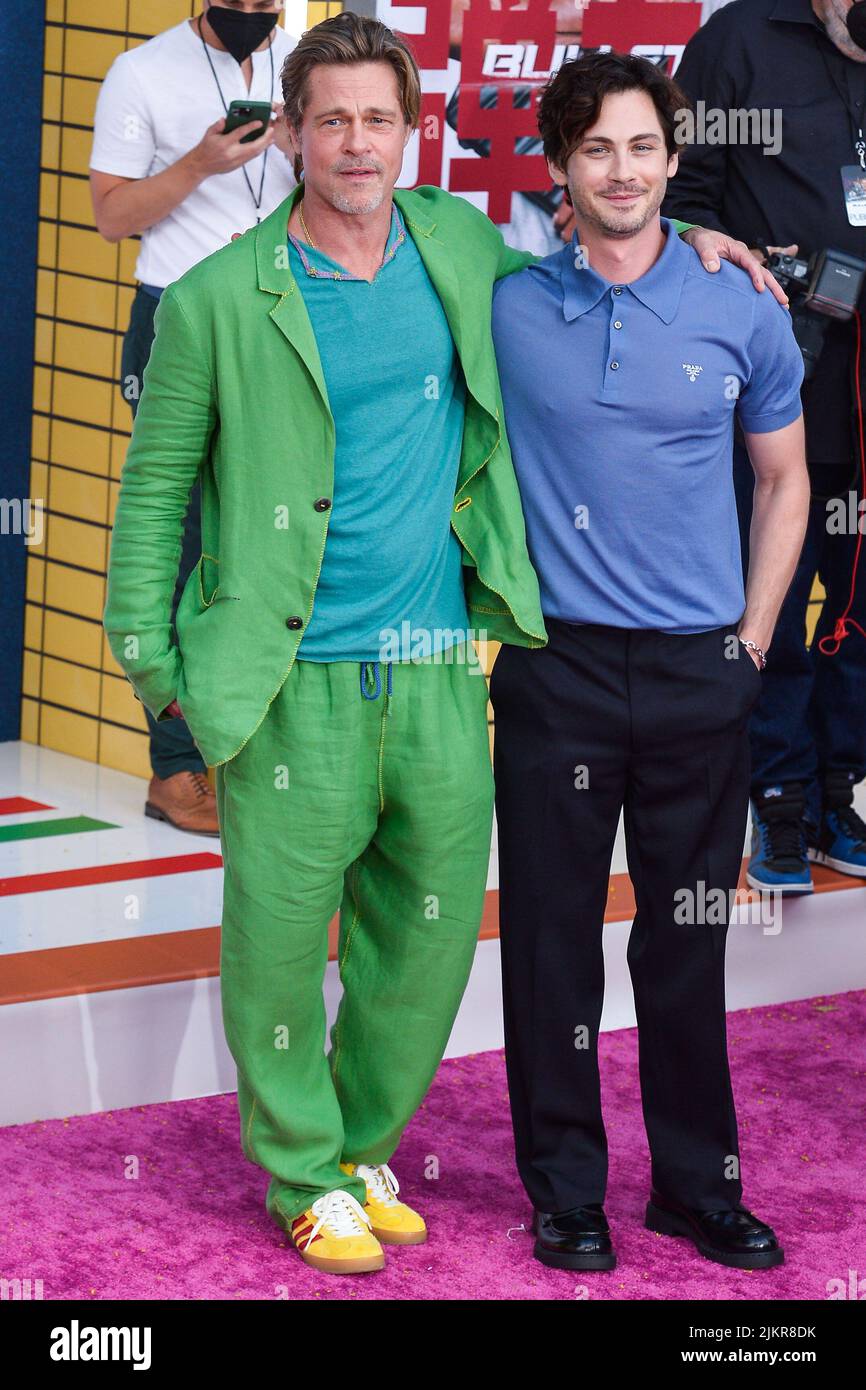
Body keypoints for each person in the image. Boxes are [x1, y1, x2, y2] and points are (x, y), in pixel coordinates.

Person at [103, 13, 784, 1276]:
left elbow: (606, 248)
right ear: (292, 135)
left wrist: (697, 238)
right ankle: (303, 1169)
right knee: (274, 939)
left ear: (411, 131)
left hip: (433, 669)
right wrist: (160, 670)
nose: (356, 142)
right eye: (331, 119)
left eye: (378, 117)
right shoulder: (211, 302)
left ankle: (364, 1143)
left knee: (417, 945)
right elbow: (152, 501)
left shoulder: (462, 250)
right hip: (289, 674)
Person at [490, 52, 810, 1271]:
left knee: (684, 941)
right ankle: (564, 1188)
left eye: (640, 148)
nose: (619, 172)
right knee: (551, 948)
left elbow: (783, 483)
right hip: (556, 672)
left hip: (698, 673)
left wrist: (749, 643)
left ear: (671, 160)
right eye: (593, 152)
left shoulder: (739, 304)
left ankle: (695, 1184)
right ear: (561, 174)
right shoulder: (510, 303)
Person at [662, 0, 866, 892]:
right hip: (781, 376)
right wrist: (733, 252)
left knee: (859, 610)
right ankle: (775, 797)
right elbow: (681, 194)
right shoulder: (735, 43)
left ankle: (836, 790)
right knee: (772, 602)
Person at [90, 2, 298, 834]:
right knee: (179, 541)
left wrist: (302, 146)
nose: (252, 12)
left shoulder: (308, 67)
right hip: (174, 315)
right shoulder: (141, 72)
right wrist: (202, 163)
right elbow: (112, 217)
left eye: (266, 3)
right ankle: (175, 770)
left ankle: (255, 750)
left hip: (281, 311)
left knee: (273, 532)